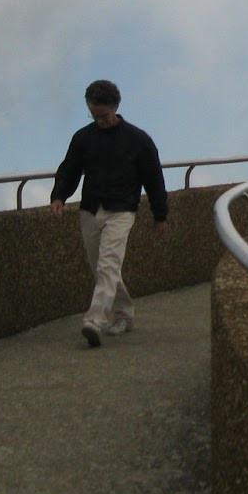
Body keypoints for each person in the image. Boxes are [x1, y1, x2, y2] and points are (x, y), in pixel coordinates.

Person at [50, 79, 168, 347]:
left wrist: (160, 215)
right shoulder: (83, 138)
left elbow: (154, 180)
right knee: (101, 268)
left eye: (103, 115)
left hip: (122, 210)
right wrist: (59, 196)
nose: (99, 120)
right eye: (94, 115)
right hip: (90, 209)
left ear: (116, 107)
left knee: (108, 265)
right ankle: (124, 313)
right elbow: (69, 169)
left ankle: (95, 321)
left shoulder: (139, 140)